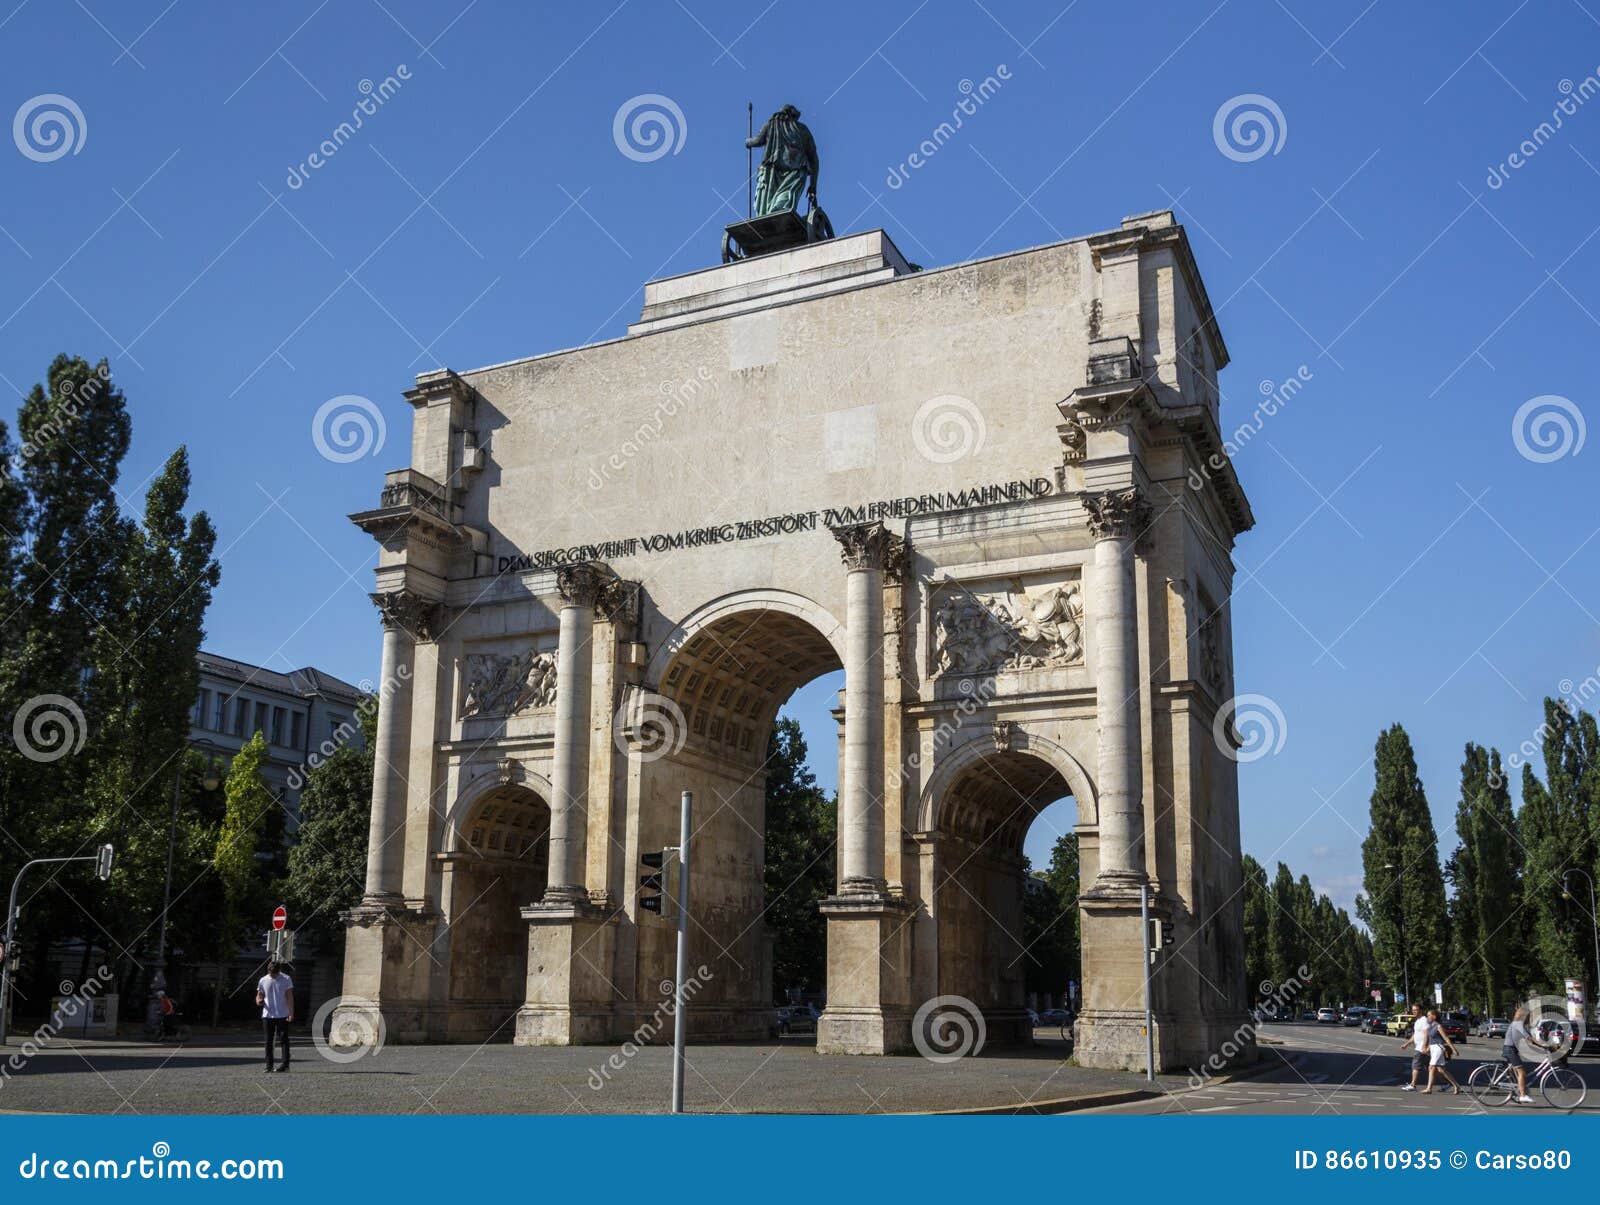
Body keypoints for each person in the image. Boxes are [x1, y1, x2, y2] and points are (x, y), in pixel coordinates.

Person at [1503, 1004, 1556, 1103]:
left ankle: (1515, 1092)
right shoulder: (1518, 1024)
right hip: (1510, 1050)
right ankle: (1522, 1095)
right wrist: (1544, 1046)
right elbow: (1530, 1038)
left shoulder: (1518, 1024)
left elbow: (1531, 1039)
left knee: (1514, 1073)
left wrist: (1541, 1045)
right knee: (1521, 1072)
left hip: (1510, 1049)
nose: (1530, 1018)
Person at [256, 962, 294, 1073]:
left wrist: (291, 1013)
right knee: (268, 1041)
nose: (273, 976)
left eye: (275, 974)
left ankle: (285, 1065)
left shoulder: (286, 979)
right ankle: (269, 1066)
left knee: (284, 1040)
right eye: (271, 973)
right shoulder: (263, 980)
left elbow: (289, 997)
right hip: (268, 1014)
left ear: (279, 971)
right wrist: (259, 1001)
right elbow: (259, 995)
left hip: (283, 1014)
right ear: (268, 971)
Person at [1421, 1008, 1461, 1094]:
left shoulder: (1438, 1026)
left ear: (1434, 1017)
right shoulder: (1430, 1027)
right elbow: (1431, 1040)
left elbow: (1446, 1038)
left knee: (1431, 1067)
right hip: (1433, 1048)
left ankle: (1429, 1088)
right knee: (1441, 1070)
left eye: (1428, 1015)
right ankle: (1456, 1086)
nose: (1427, 1017)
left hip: (1438, 1048)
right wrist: (1427, 1049)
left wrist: (1454, 1049)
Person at [1397, 1003, 1427, 1091]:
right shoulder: (1417, 1021)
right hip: (1420, 1047)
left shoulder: (1424, 1020)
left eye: (1416, 1010)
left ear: (1421, 1010)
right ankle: (1448, 1083)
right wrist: (1407, 1044)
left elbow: (1426, 1034)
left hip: (1421, 1048)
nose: (1414, 1012)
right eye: (1413, 1010)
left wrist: (1424, 1046)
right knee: (1434, 1068)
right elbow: (1415, 1035)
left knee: (1415, 1065)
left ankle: (1413, 1085)